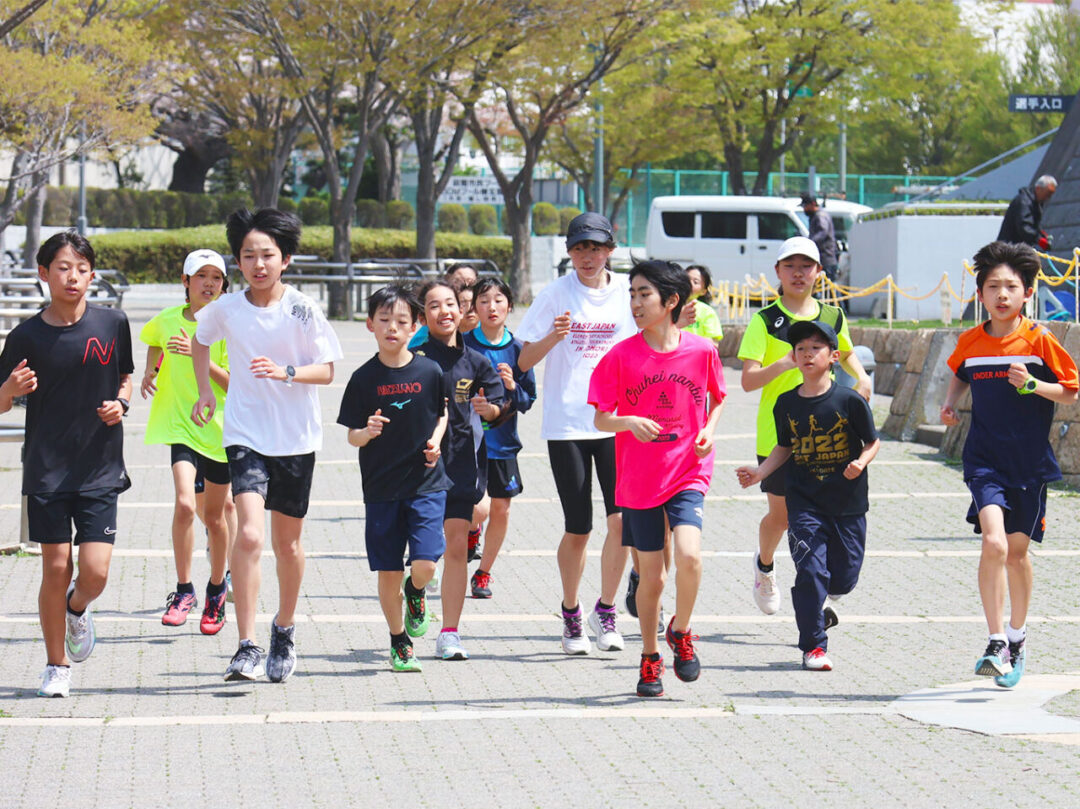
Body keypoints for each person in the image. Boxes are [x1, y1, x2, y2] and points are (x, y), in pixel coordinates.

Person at [191, 208, 342, 683]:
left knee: (288, 543)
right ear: (239, 262)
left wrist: (287, 372)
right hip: (245, 435)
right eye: (249, 256)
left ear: (286, 259)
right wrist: (204, 392)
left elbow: (329, 369)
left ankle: (284, 627)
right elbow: (199, 341)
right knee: (251, 535)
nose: (258, 264)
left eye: (267, 255)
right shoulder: (227, 309)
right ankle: (246, 646)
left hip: (296, 438)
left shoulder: (302, 308)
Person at [0, 231, 133, 698]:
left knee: (94, 572)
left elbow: (126, 377)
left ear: (92, 275)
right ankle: (56, 665)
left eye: (80, 268)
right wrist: (9, 390)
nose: (72, 276)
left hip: (99, 465)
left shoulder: (113, 323)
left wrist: (122, 403)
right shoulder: (25, 335)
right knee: (55, 567)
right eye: (62, 267)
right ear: (43, 274)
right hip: (46, 468)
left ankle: (77, 609)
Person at [940, 240, 1078, 688]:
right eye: (993, 286)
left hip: (1030, 464)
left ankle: (1017, 638)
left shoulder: (1039, 340)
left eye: (1011, 287)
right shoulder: (971, 341)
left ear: (1026, 294)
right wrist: (948, 405)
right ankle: (995, 640)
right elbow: (960, 374)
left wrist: (1035, 384)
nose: (1002, 294)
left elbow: (1071, 390)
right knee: (994, 545)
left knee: (1017, 555)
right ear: (980, 294)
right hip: (984, 460)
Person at [589, 260, 726, 697]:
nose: (635, 303)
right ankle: (650, 658)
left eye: (643, 294)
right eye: (631, 294)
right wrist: (627, 422)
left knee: (690, 558)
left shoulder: (702, 350)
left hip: (688, 469)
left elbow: (717, 399)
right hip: (639, 480)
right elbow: (600, 418)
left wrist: (708, 429)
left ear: (671, 301)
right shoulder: (620, 355)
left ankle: (680, 630)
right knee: (654, 578)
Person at [517, 212, 637, 655]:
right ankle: (571, 612)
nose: (588, 256)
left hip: (616, 420)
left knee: (622, 522)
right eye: (580, 248)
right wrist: (553, 336)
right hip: (568, 423)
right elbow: (524, 361)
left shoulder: (628, 292)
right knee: (579, 526)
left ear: (610, 250)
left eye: (596, 247)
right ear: (569, 252)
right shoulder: (554, 295)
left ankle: (605, 611)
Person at [737, 236, 871, 617]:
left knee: (815, 518)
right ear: (777, 272)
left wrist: (861, 376)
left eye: (806, 266)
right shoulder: (765, 320)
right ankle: (764, 567)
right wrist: (785, 362)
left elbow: (844, 353)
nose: (799, 273)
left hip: (827, 435)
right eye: (790, 266)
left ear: (819, 272)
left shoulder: (832, 316)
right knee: (781, 517)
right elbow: (748, 381)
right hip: (779, 434)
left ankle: (816, 591)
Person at [736, 320, 880, 672]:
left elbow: (872, 441)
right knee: (811, 572)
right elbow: (784, 447)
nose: (807, 354)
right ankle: (813, 645)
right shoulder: (786, 403)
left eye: (816, 348)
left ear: (834, 357)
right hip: (804, 501)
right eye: (800, 349)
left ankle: (821, 600)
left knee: (844, 578)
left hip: (847, 504)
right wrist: (760, 473)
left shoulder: (850, 401)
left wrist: (860, 462)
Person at [337, 285, 450, 672]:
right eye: (383, 320)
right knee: (388, 568)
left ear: (415, 325)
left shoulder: (430, 370)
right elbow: (351, 434)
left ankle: (415, 590)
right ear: (369, 324)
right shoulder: (362, 378)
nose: (392, 327)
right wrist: (366, 432)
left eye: (401, 321)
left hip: (426, 483)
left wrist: (435, 441)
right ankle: (399, 640)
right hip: (382, 489)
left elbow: (442, 414)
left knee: (426, 565)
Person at [140, 249, 232, 634]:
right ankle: (183, 590)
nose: (209, 283)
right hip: (181, 429)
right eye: (201, 276)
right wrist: (150, 369)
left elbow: (234, 383)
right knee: (182, 505)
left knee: (215, 515)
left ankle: (217, 587)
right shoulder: (166, 320)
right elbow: (155, 340)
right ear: (185, 282)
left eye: (216, 277)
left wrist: (199, 356)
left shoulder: (229, 328)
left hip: (222, 433)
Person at [414, 278, 505, 660]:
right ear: (423, 315)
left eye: (450, 303)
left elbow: (500, 402)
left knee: (455, 546)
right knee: (423, 557)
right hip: (417, 466)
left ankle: (449, 632)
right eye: (434, 306)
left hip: (460, 463)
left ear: (462, 310)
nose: (444, 311)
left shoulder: (477, 361)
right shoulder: (411, 356)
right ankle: (415, 589)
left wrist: (493, 410)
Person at [463, 277, 537, 598]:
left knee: (502, 510)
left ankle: (483, 573)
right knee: (478, 510)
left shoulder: (520, 348)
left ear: (509, 304)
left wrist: (512, 387)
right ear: (474, 308)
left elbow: (528, 400)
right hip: (468, 442)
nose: (491, 307)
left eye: (498, 300)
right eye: (483, 301)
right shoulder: (463, 344)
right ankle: (470, 529)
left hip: (504, 445)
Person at [409, 263, 479, 350]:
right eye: (457, 281)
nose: (463, 286)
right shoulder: (426, 334)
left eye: (470, 281)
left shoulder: (486, 327)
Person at [998, 175, 1057, 248]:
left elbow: (1033, 224)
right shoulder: (1024, 202)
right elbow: (1024, 226)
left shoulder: (1035, 202)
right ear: (1038, 188)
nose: (1048, 197)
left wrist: (1041, 234)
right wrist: (1038, 239)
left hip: (1018, 247)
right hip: (1009, 248)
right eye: (1047, 194)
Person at [800, 193, 838, 282]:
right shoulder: (815, 216)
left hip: (825, 258)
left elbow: (822, 232)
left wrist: (810, 243)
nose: (804, 209)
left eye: (805, 206)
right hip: (821, 258)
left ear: (813, 204)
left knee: (826, 289)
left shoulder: (820, 216)